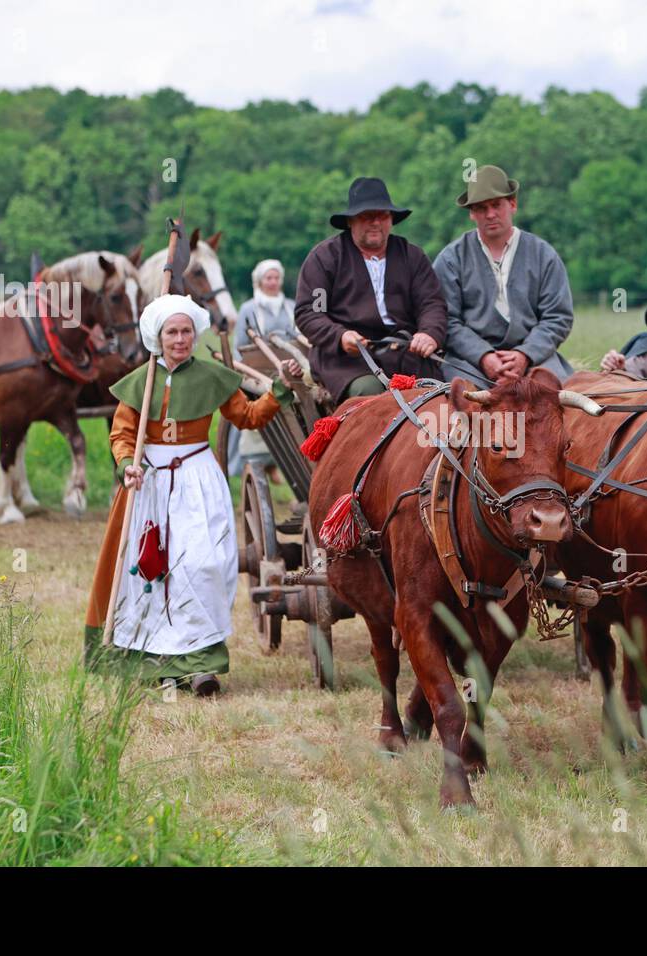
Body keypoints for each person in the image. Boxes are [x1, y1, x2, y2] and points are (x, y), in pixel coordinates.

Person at [84, 294, 293, 696]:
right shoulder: (140, 382)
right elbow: (122, 434)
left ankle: (201, 663)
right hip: (150, 482)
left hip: (198, 478)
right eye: (171, 332)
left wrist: (279, 390)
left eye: (185, 331)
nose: (180, 339)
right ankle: (154, 663)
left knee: (202, 565)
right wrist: (129, 461)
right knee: (152, 571)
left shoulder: (212, 376)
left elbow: (247, 417)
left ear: (194, 335)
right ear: (157, 337)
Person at [294, 177, 446, 402]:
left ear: (391, 219)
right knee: (371, 393)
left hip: (406, 356)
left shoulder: (412, 256)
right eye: (366, 216)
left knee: (440, 397)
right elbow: (310, 312)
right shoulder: (325, 258)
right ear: (350, 222)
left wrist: (429, 333)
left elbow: (431, 303)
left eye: (382, 215)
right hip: (347, 362)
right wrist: (340, 336)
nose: (375, 222)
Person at [433, 165, 574, 384]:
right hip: (469, 362)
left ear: (513, 204)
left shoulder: (543, 254)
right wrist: (483, 356)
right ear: (471, 213)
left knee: (559, 398)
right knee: (460, 400)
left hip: (536, 358)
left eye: (496, 205)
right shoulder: (451, 259)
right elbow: (447, 320)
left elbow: (558, 316)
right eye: (481, 208)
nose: (490, 214)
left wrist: (525, 354)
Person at [228, 258, 299, 478]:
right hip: (257, 371)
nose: (273, 282)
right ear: (260, 281)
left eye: (276, 278)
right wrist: (244, 374)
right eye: (269, 278)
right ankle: (238, 464)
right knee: (246, 406)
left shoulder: (290, 306)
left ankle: (288, 459)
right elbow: (239, 345)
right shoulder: (249, 308)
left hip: (290, 369)